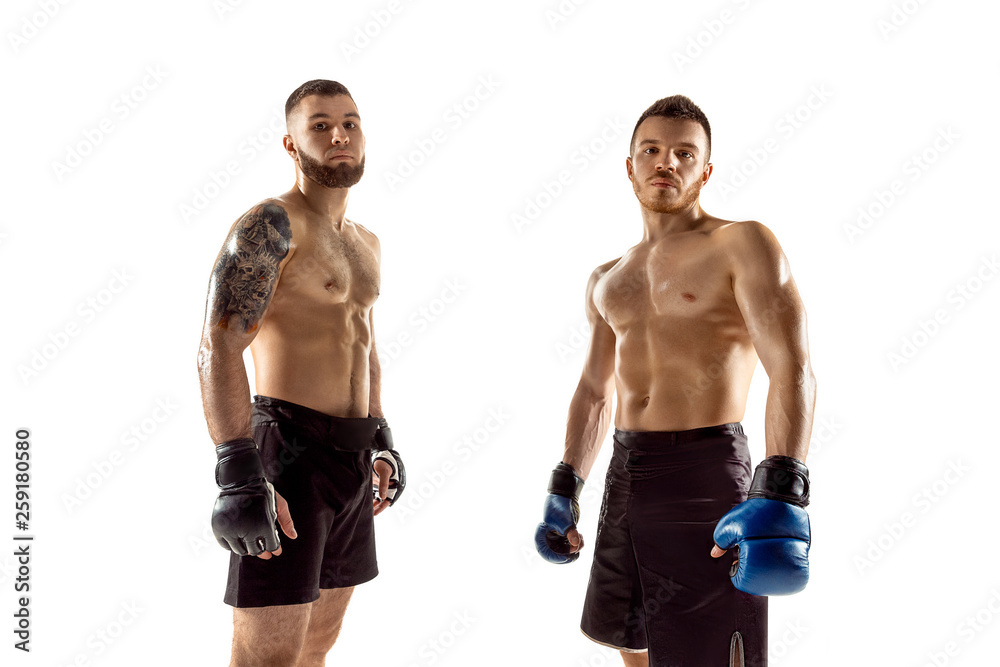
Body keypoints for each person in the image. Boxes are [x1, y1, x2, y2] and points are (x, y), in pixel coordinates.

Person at [534, 95, 816, 667]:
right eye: (652, 150)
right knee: (632, 645)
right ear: (630, 165)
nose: (667, 162)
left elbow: (793, 366)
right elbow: (594, 391)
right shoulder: (607, 278)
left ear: (705, 171)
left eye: (685, 153)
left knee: (715, 652)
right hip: (625, 474)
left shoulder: (741, 243)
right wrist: (566, 485)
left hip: (706, 470)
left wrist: (784, 485)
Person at [197, 79, 406, 667]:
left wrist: (382, 436)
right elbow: (218, 344)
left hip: (352, 459)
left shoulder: (366, 242)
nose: (339, 134)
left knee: (317, 645)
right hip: (289, 453)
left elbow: (363, 344)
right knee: (268, 658)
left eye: (350, 122)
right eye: (319, 125)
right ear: (291, 145)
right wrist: (237, 470)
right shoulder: (270, 226)